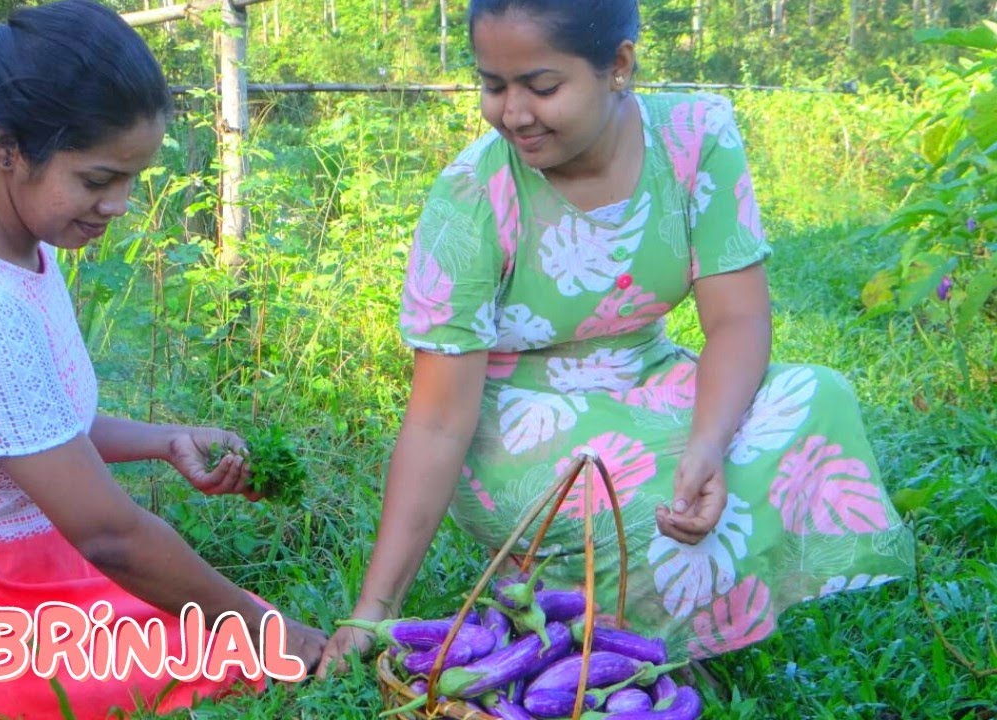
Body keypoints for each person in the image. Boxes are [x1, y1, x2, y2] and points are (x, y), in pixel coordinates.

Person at [318, 0, 914, 675]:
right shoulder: (471, 195)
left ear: (619, 66)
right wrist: (374, 610)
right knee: (634, 503)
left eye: (541, 87)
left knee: (817, 395)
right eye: (493, 85)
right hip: (520, 419)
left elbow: (737, 320)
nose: (513, 113)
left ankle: (676, 613)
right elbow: (437, 420)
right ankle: (608, 625)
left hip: (649, 376)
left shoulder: (695, 136)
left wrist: (708, 444)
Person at [0, 2, 326, 718]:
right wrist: (264, 631)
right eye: (98, 179)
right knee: (245, 644)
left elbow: (37, 424)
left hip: (23, 590)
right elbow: (109, 535)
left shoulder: (22, 252)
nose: (119, 205)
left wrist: (166, 443)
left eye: (132, 178)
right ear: (7, 147)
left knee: (222, 625)